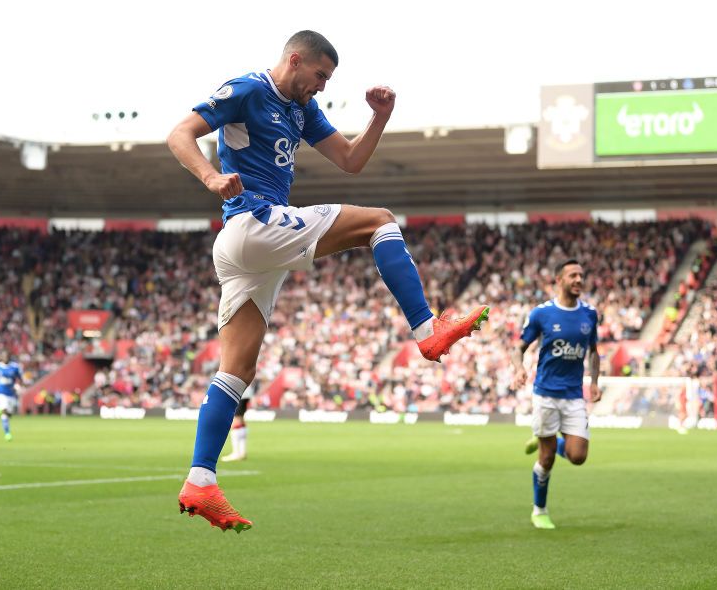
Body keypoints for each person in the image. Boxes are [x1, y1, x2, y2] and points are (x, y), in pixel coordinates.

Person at [166, 30, 490, 532]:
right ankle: (428, 331)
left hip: (251, 249)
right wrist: (210, 177)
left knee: (236, 372)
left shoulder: (302, 109)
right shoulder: (248, 89)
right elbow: (179, 134)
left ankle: (200, 480)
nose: (321, 86)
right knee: (380, 221)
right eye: (319, 76)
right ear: (295, 60)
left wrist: (379, 117)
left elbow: (351, 160)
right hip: (253, 222)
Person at [511, 258, 601, 530]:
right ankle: (539, 510)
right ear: (559, 280)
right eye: (573, 275)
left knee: (578, 456)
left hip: (574, 395)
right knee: (547, 459)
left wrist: (594, 382)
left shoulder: (590, 314)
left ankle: (547, 441)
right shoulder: (542, 314)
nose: (579, 280)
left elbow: (594, 351)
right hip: (546, 394)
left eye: (581, 275)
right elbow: (518, 348)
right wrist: (519, 369)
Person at [221, 379, 256, 462]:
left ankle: (236, 453)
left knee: (236, 420)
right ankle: (242, 452)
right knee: (241, 419)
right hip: (246, 392)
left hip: (240, 392)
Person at [0, 357, 24, 441]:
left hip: (11, 395)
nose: (5, 358)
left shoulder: (15, 367)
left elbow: (20, 379)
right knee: (3, 412)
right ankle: (7, 433)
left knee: (7, 415)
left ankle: (3, 414)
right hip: (1, 394)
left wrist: (18, 386)